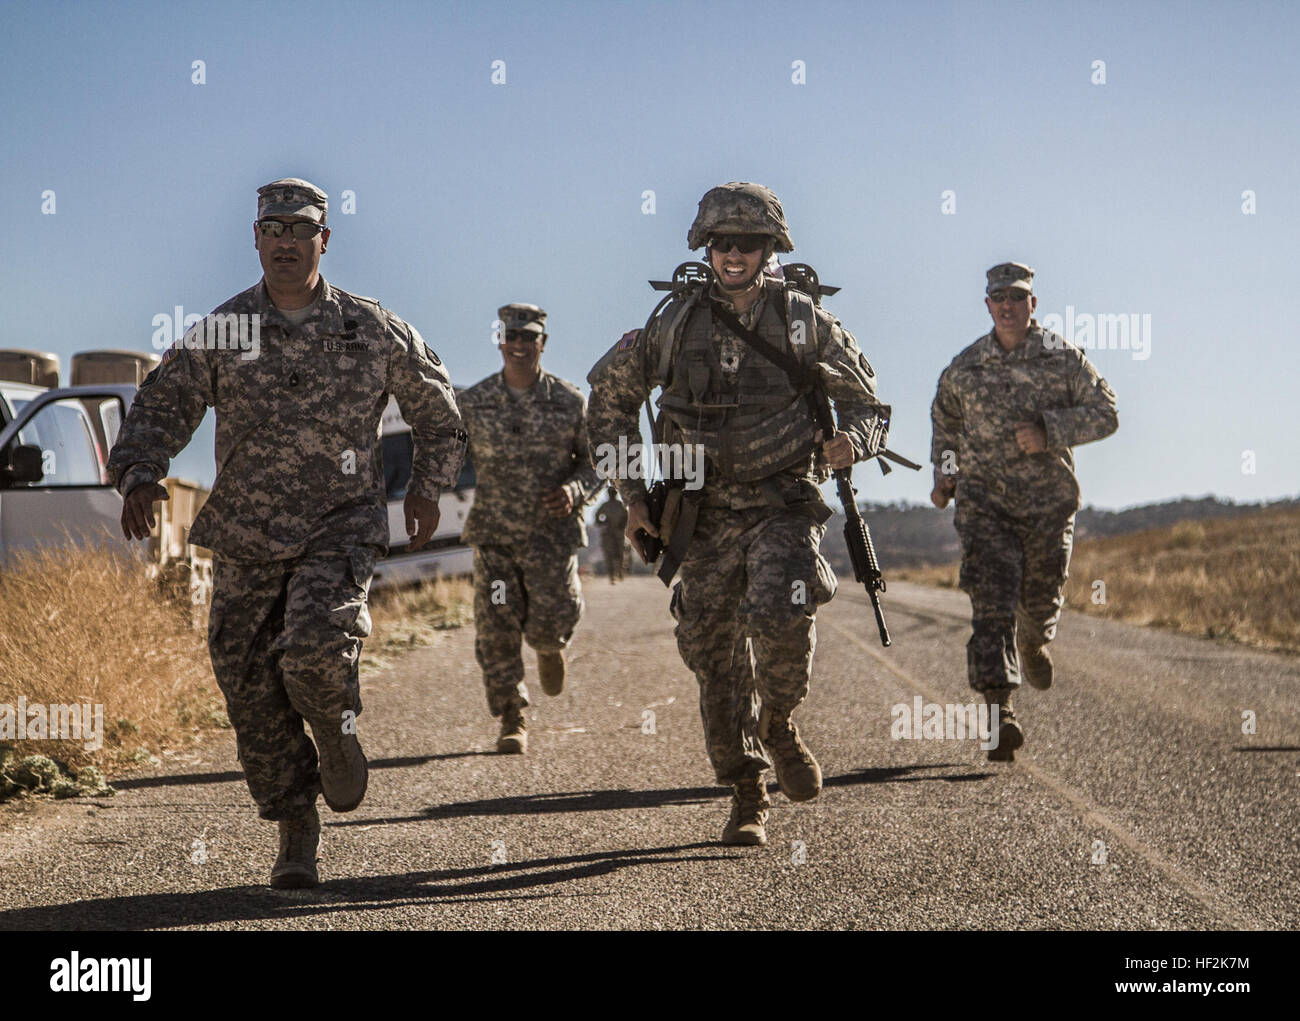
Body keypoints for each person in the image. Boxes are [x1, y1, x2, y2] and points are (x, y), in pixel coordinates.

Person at [108, 178, 465, 888]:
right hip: (246, 533)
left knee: (312, 650)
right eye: (273, 229)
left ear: (323, 241)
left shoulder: (372, 328)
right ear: (256, 238)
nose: (285, 242)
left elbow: (438, 407)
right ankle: (296, 826)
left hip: (339, 526)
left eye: (300, 230)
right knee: (245, 685)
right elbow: (165, 399)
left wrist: (426, 485)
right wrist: (142, 471)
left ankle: (335, 732)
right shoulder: (225, 329)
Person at [586, 182, 891, 846]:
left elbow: (871, 408)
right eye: (722, 243)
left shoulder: (805, 321)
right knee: (709, 650)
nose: (733, 254)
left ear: (770, 248)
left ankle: (779, 719)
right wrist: (633, 496)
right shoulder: (671, 324)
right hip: (697, 511)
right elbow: (607, 406)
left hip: (780, 502)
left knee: (782, 614)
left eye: (748, 243)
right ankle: (747, 788)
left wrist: (854, 442)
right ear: (706, 246)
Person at [930, 262, 1118, 761]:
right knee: (990, 607)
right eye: (999, 298)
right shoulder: (965, 367)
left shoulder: (1063, 358)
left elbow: (1107, 413)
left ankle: (1034, 643)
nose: (1008, 305)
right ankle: (999, 715)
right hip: (984, 506)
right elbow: (945, 423)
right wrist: (945, 474)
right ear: (987, 305)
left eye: (1017, 297)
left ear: (1032, 304)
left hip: (1047, 506)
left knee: (1037, 603)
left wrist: (1049, 431)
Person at [457, 303, 600, 755]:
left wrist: (575, 492)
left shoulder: (569, 402)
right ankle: (511, 716)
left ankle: (549, 645)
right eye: (511, 337)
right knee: (495, 626)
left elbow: (597, 464)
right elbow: (448, 459)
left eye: (528, 337)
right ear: (500, 341)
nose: (519, 345)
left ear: (543, 342)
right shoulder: (473, 403)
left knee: (550, 621)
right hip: (495, 534)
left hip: (551, 536)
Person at [594, 485, 629, 582]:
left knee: (620, 553)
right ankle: (611, 575)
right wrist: (603, 523)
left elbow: (627, 517)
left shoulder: (620, 505)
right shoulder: (605, 505)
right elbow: (597, 515)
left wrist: (622, 524)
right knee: (609, 554)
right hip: (608, 533)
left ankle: (620, 572)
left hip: (619, 532)